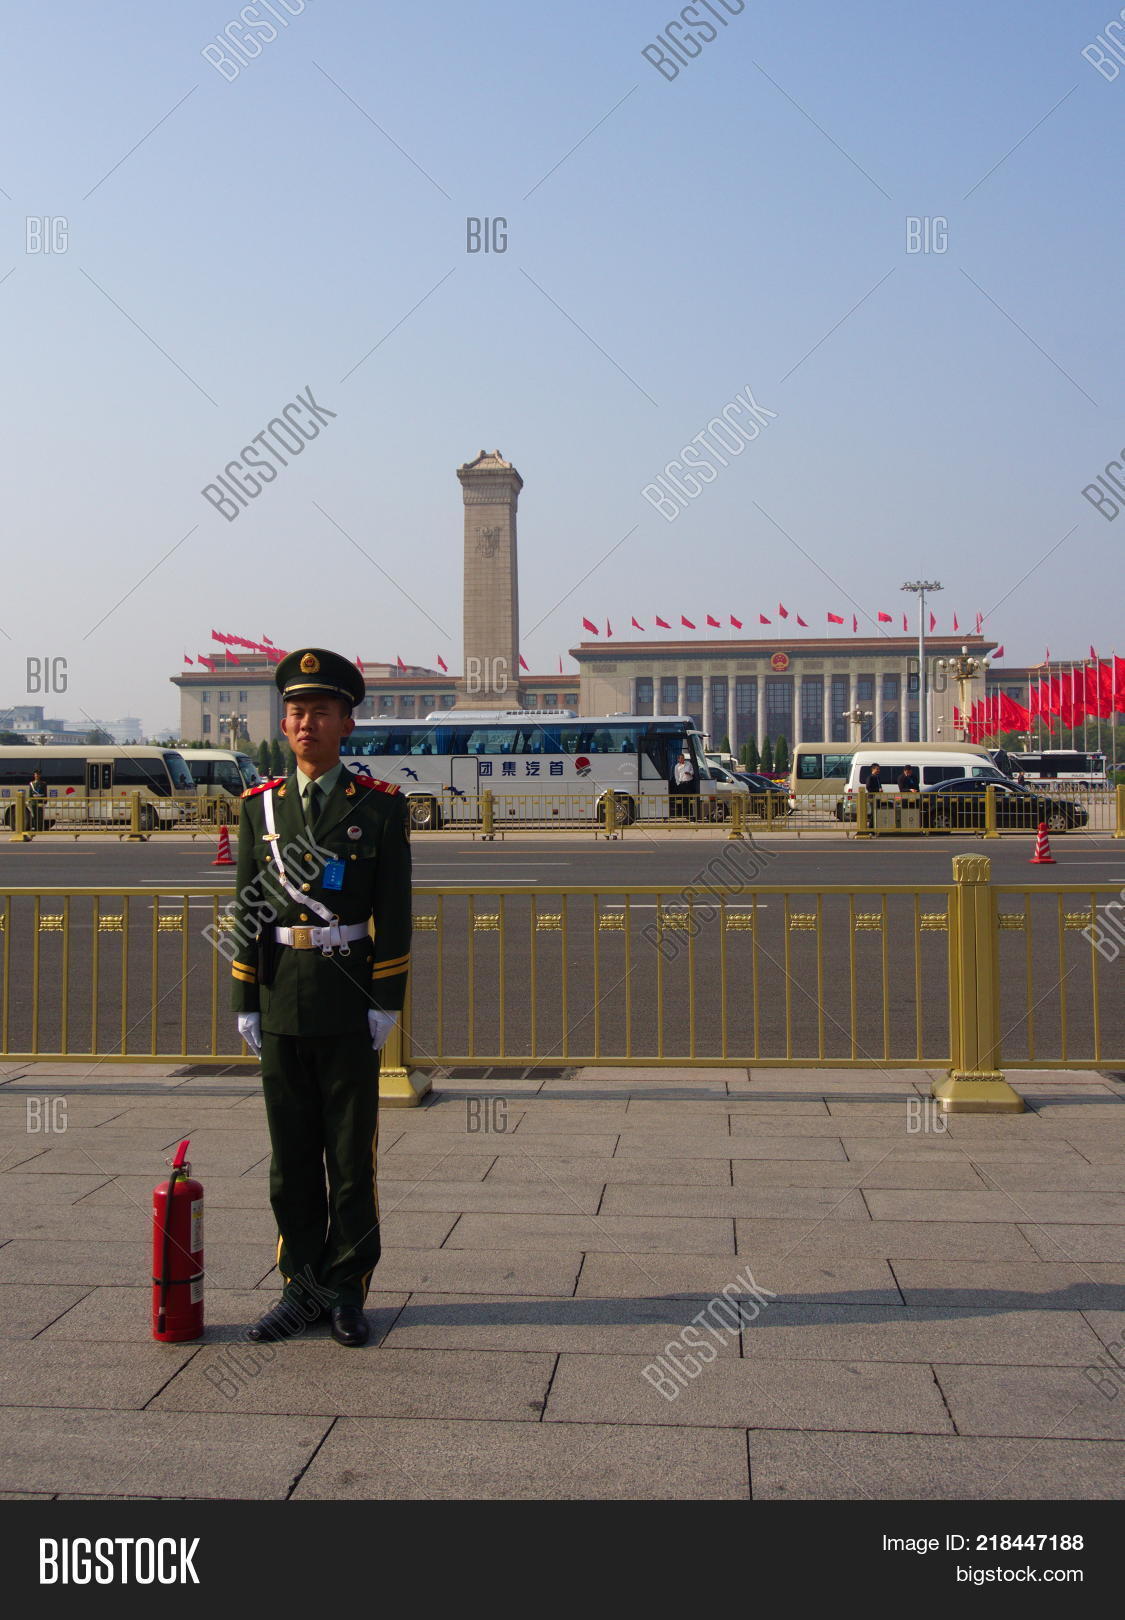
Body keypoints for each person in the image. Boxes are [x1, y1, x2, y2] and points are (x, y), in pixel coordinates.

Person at [229, 648, 412, 1348]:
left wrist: (384, 998)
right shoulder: (260, 807)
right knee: (290, 1159)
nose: (306, 723)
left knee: (348, 1158)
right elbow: (245, 908)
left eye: (321, 712)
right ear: (284, 721)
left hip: (346, 996)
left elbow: (393, 909)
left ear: (347, 725)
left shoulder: (378, 807)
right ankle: (297, 1290)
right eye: (297, 711)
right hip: (279, 998)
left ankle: (346, 1291)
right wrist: (243, 997)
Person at [673, 746, 699, 820]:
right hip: (681, 784)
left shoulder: (689, 764)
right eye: (680, 758)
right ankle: (683, 813)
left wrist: (689, 773)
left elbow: (693, 772)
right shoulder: (676, 766)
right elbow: (676, 776)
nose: (682, 759)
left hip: (688, 783)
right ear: (678, 759)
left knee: (689, 799)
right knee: (682, 799)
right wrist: (678, 784)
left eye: (683, 758)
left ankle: (690, 815)